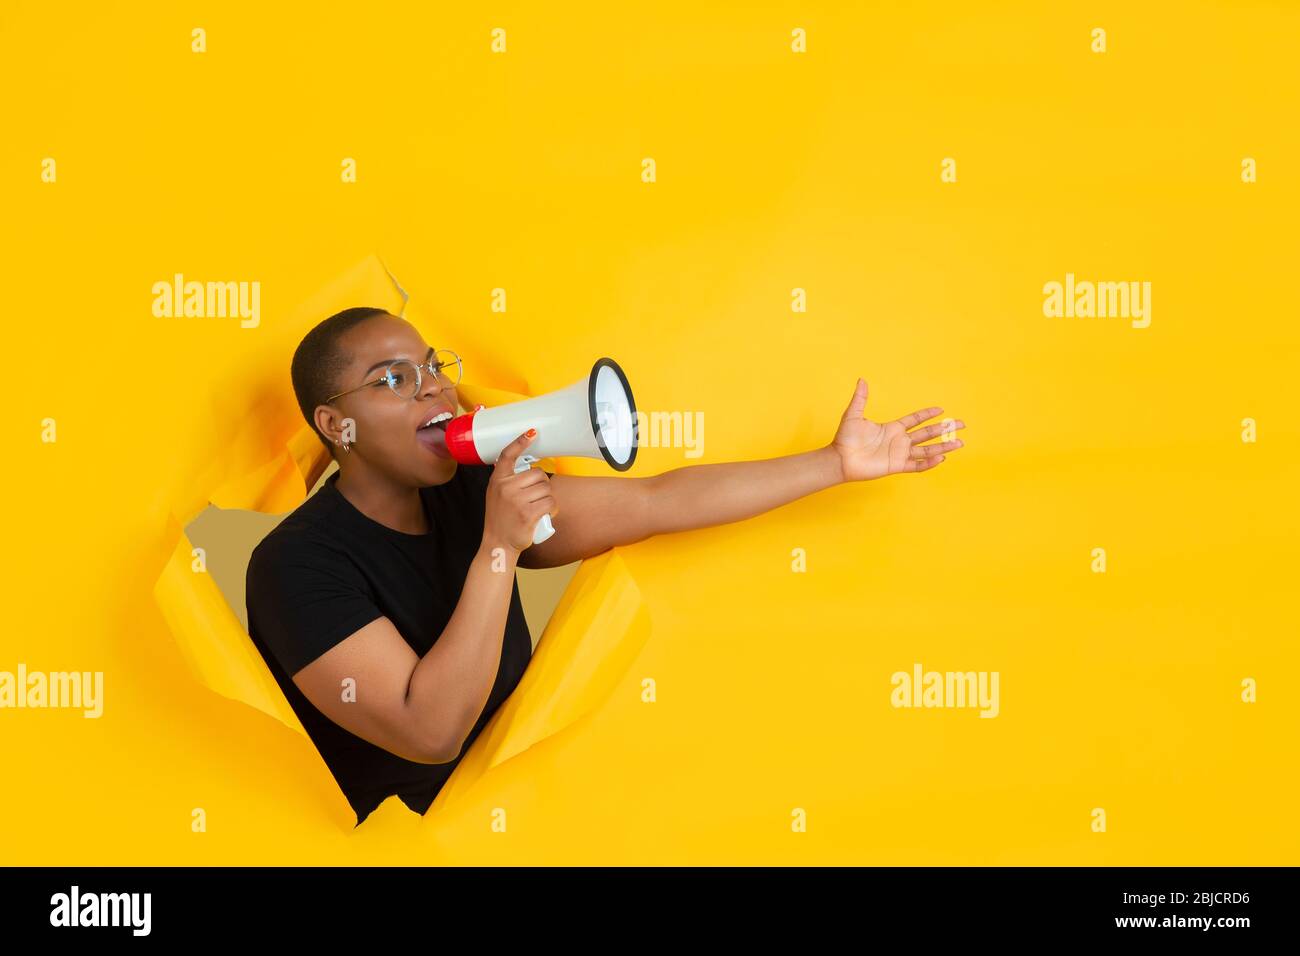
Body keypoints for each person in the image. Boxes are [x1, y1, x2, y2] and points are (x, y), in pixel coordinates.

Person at [245, 306, 967, 827]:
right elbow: (429, 731)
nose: (435, 387)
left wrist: (834, 464)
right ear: (336, 425)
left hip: (524, 824)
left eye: (434, 367)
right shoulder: (294, 566)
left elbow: (656, 502)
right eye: (394, 379)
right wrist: (500, 548)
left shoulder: (475, 491)